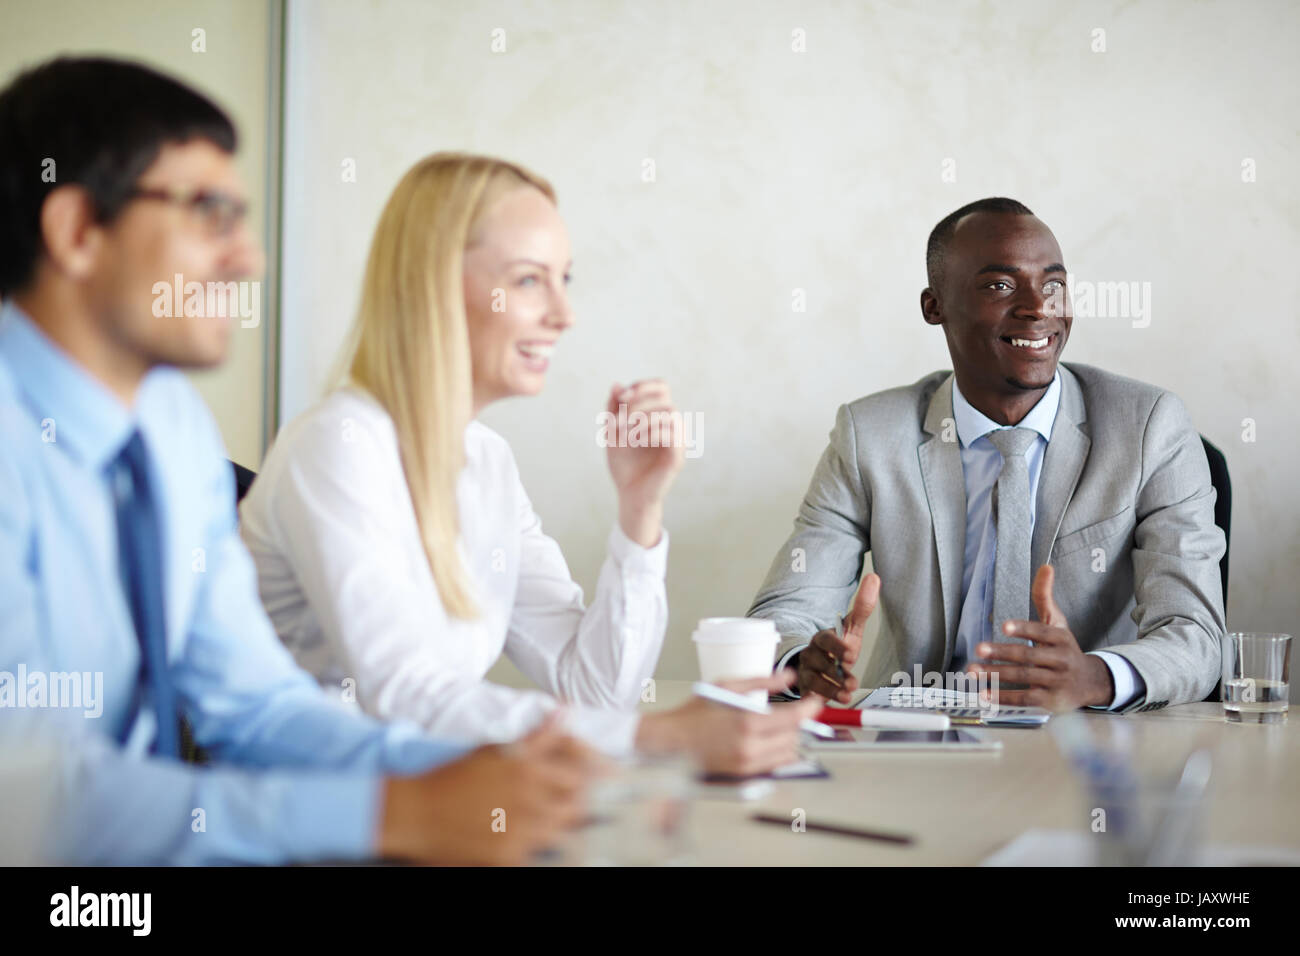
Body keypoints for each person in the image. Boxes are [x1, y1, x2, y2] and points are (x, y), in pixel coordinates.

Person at [0, 56, 594, 866]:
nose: (250, 258)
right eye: (210, 213)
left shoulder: (172, 426)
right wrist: (393, 816)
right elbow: (29, 802)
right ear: (76, 230)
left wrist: (483, 774)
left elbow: (256, 706)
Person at [239, 152, 818, 774]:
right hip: (319, 823)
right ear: (432, 283)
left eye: (563, 279)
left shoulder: (487, 461)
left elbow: (595, 689)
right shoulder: (338, 446)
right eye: (527, 280)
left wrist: (638, 510)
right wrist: (657, 737)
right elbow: (402, 697)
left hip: (426, 809)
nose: (563, 315)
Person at [748, 198, 1225, 713]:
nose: (1038, 307)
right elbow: (783, 614)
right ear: (935, 306)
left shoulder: (1149, 426)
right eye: (1000, 285)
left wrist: (1093, 677)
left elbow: (1195, 636)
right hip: (918, 745)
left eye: (1053, 284)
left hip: (1086, 747)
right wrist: (802, 663)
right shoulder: (870, 435)